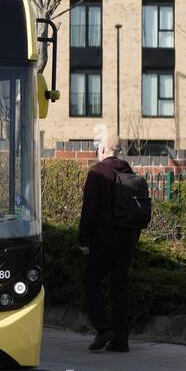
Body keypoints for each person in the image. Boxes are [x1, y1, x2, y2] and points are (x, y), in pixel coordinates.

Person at [78, 134, 142, 352]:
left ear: (103, 149)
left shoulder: (97, 173)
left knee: (91, 283)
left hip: (102, 242)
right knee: (120, 289)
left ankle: (103, 328)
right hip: (126, 241)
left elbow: (89, 211)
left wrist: (83, 240)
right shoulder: (129, 172)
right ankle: (121, 340)